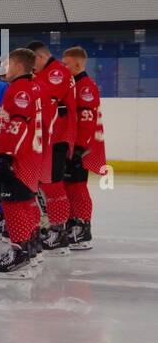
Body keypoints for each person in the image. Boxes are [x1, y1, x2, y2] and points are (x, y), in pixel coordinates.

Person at [0, 48, 45, 278]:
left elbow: (20, 124)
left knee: (13, 205)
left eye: (9, 64)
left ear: (19, 66)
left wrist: (6, 155)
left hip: (19, 158)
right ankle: (32, 249)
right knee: (26, 203)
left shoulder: (21, 89)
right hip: (30, 156)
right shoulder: (32, 86)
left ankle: (19, 254)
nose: (6, 68)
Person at [28, 40, 77, 253]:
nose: (32, 68)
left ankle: (59, 232)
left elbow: (47, 100)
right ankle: (56, 229)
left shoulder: (57, 72)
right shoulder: (44, 73)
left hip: (57, 137)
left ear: (40, 57)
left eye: (33, 63)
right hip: (47, 137)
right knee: (47, 185)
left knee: (54, 185)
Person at [61, 47, 105, 250]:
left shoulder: (85, 86)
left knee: (78, 188)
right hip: (71, 146)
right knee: (69, 187)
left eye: (66, 63)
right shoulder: (73, 85)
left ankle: (83, 228)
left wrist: (79, 149)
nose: (63, 67)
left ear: (77, 65)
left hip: (81, 148)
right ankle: (72, 223)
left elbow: (87, 121)